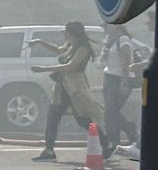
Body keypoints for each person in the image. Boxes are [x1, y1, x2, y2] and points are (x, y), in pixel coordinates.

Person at [31, 20, 105, 161]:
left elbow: (70, 67)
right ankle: (49, 151)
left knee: (82, 119)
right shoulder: (71, 44)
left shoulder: (83, 48)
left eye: (66, 31)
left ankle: (105, 143)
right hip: (63, 86)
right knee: (53, 116)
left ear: (72, 32)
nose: (64, 34)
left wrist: (43, 69)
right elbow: (58, 50)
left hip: (75, 86)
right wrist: (40, 42)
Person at [100, 22, 146, 154]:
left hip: (119, 78)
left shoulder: (123, 39)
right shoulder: (109, 40)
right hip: (109, 76)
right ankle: (127, 131)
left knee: (110, 112)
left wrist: (124, 82)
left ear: (117, 27)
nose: (105, 28)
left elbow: (126, 61)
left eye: (107, 26)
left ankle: (114, 140)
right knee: (111, 111)